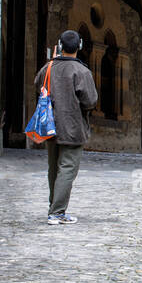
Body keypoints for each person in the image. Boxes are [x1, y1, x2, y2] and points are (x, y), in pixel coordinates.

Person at [36, 29, 98, 225]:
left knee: (53, 168)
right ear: (79, 47)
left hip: (50, 125)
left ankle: (53, 207)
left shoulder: (48, 67)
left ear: (60, 46)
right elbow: (90, 100)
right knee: (67, 169)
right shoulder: (82, 71)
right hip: (73, 127)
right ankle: (57, 212)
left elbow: (37, 86)